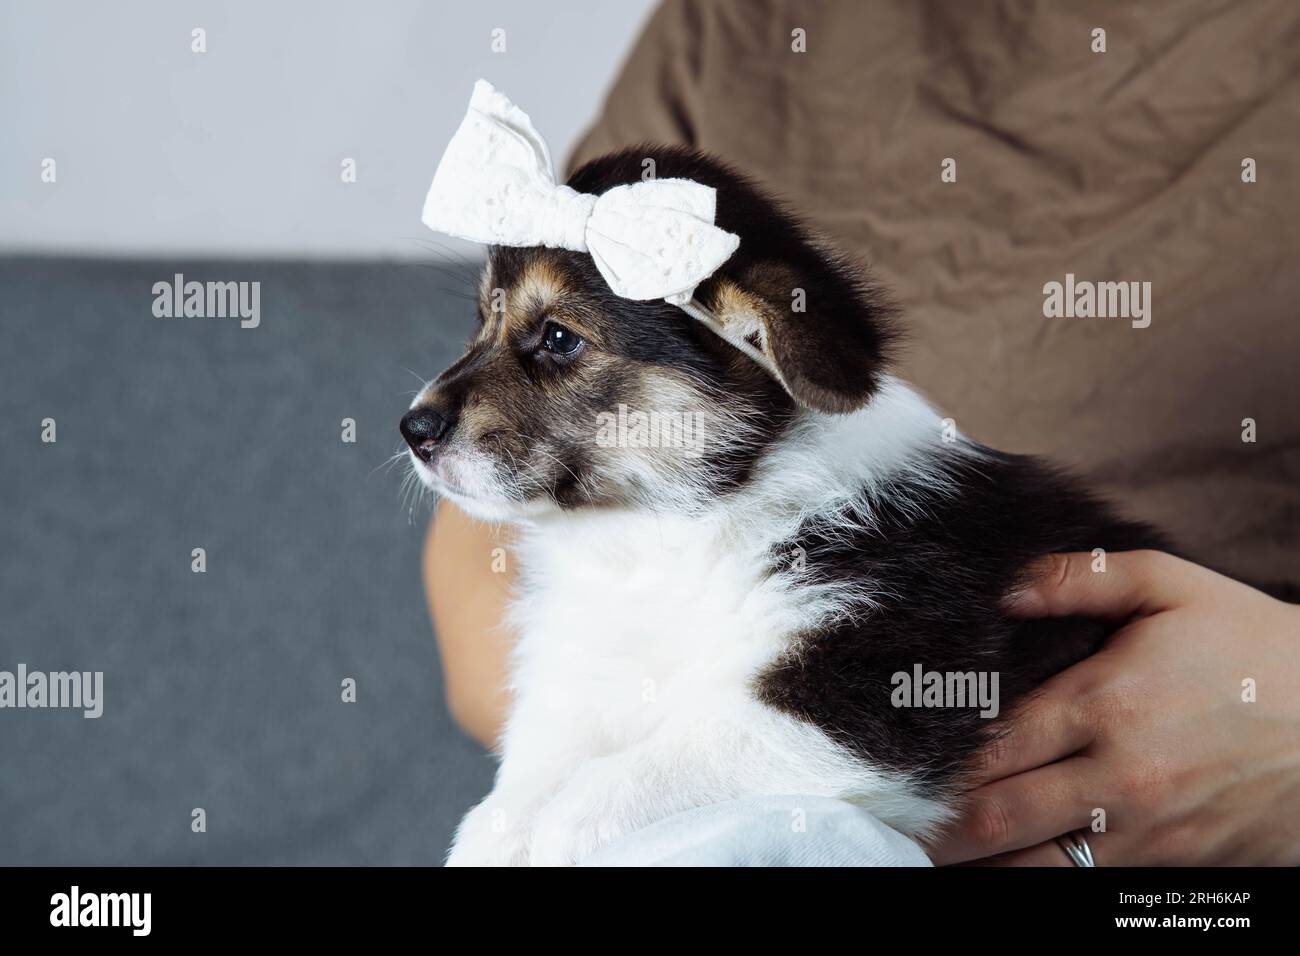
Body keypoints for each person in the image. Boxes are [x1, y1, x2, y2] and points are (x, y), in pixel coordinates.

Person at [424, 0, 1300, 864]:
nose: (446, 397)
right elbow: (520, 650)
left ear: (760, 341)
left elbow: (859, 724)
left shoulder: (874, 536)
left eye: (558, 343)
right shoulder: (734, 23)